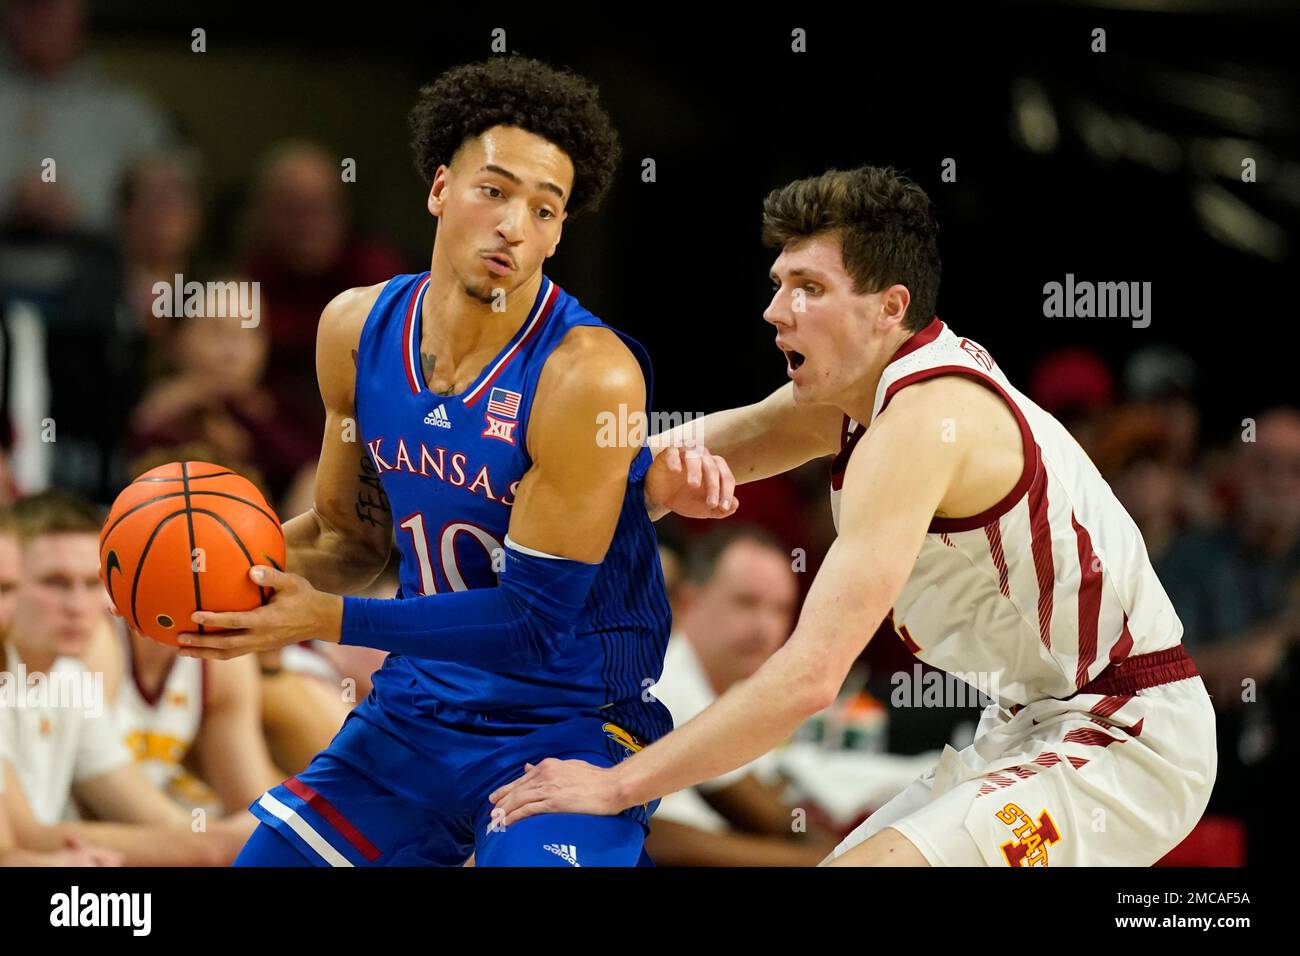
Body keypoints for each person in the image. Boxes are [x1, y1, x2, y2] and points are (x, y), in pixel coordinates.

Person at [489, 164, 1217, 868]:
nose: (776, 311)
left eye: (809, 289)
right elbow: (642, 465)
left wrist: (616, 785)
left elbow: (809, 679)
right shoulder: (853, 401)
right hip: (1026, 718)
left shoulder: (924, 422)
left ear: (889, 307)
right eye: (779, 285)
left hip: (1129, 730)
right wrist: (494, 484)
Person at [175, 56, 732, 867]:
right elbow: (347, 540)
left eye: (546, 210)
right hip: (416, 711)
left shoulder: (589, 374)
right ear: (440, 189)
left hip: (567, 723)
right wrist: (202, 574)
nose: (515, 225)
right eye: (494, 190)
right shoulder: (356, 329)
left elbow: (534, 623)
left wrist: (325, 620)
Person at [0, 492, 252, 865]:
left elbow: (162, 820)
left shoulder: (70, 679)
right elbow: (23, 838)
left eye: (91, 583)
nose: (77, 606)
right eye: (55, 582)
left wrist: (218, 840)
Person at [648, 526, 836, 865]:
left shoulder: (742, 689)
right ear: (690, 602)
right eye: (746, 603)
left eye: (780, 609)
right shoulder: (665, 677)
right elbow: (764, 818)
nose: (764, 629)